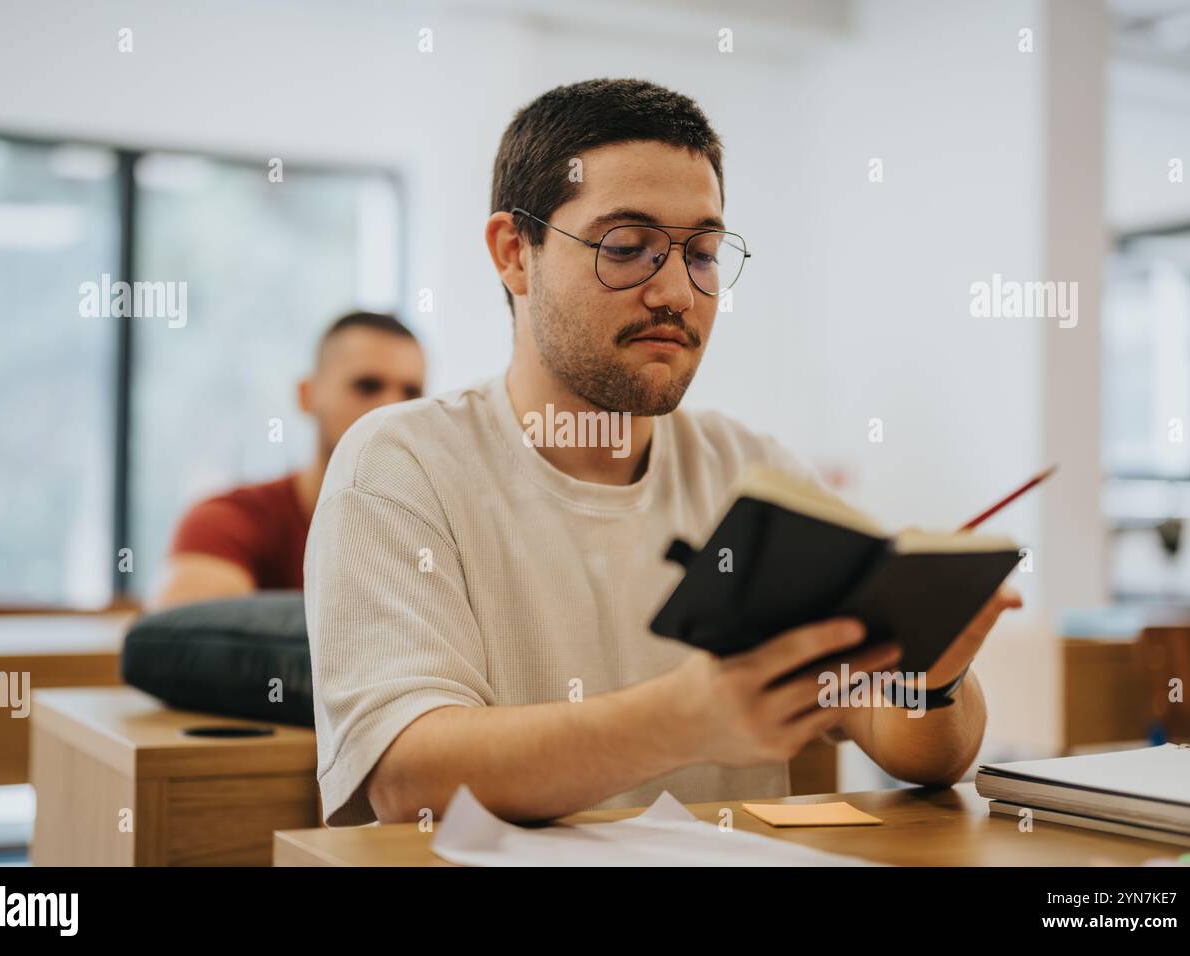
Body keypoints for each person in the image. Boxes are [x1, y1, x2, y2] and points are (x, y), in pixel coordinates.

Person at [305, 79, 1021, 826]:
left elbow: (923, 750)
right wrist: (683, 719)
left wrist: (933, 678)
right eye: (628, 248)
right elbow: (405, 777)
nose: (678, 291)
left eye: (703, 254)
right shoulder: (398, 466)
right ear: (516, 253)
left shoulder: (757, 473)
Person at [154, 311, 424, 609]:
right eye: (367, 386)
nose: (392, 409)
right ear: (307, 396)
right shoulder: (228, 521)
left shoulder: (428, 533)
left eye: (412, 393)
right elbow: (182, 645)